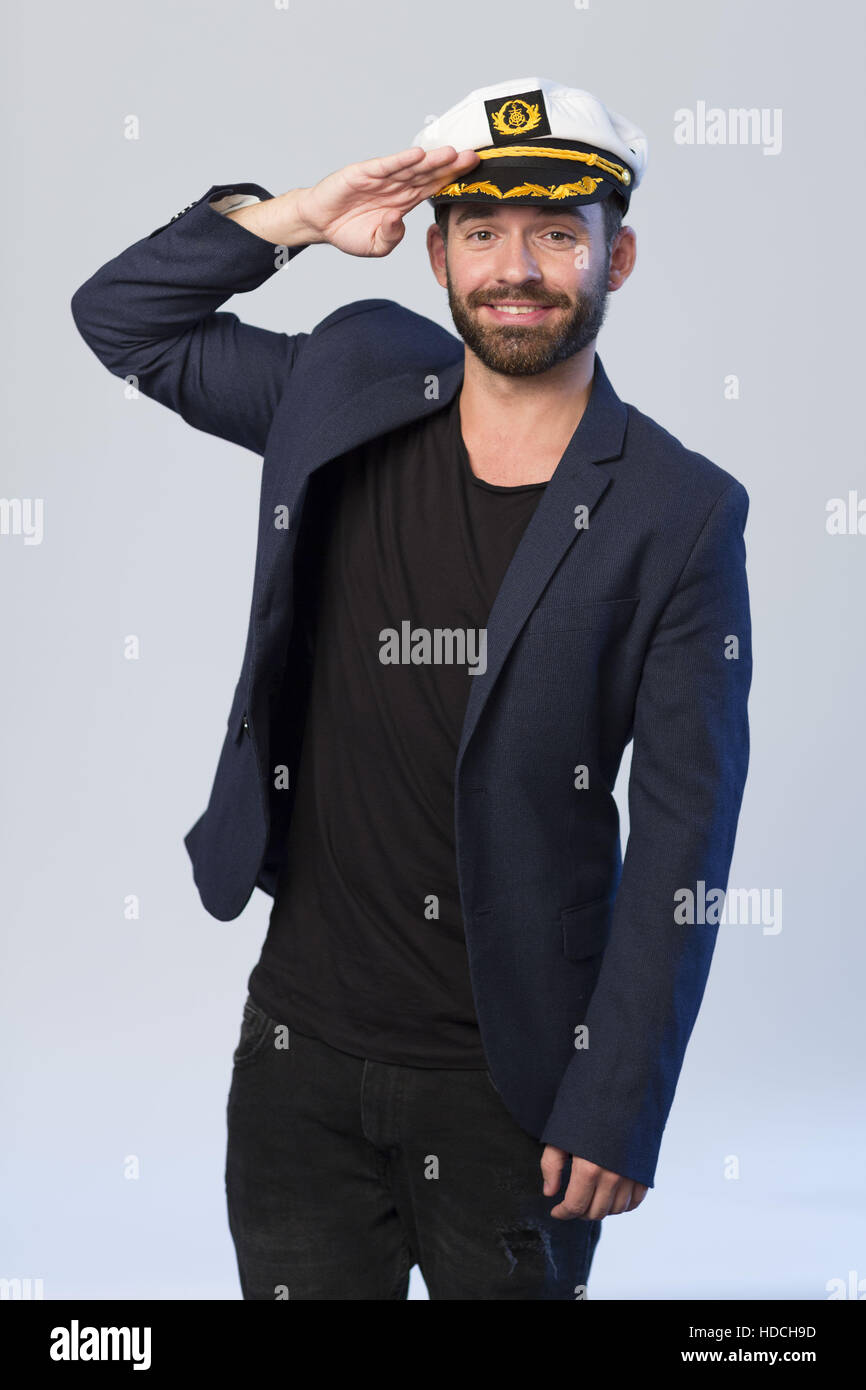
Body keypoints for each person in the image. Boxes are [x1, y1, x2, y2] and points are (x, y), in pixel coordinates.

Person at [70, 76, 752, 1300]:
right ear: (436, 255)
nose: (517, 268)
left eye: (557, 233)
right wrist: (293, 216)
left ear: (618, 256)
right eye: (481, 232)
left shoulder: (679, 509)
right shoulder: (349, 379)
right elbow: (125, 320)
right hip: (299, 1060)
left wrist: (619, 1096)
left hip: (519, 1088)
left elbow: (683, 837)